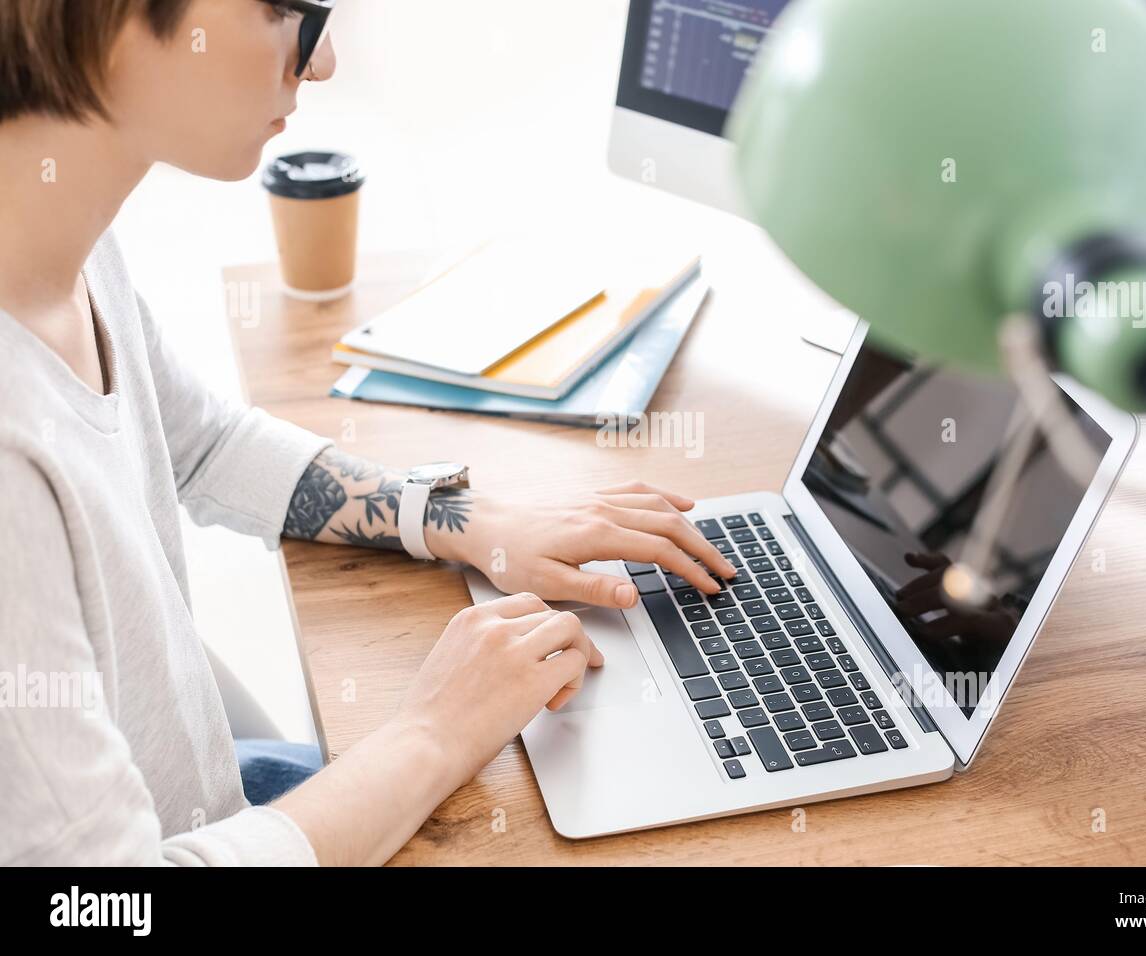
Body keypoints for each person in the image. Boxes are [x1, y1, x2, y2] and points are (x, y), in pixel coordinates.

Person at [0, 0, 734, 866]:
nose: (322, 63)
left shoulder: (59, 231)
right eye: (286, 12)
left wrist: (467, 521)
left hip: (214, 803)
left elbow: (199, 443)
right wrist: (432, 730)